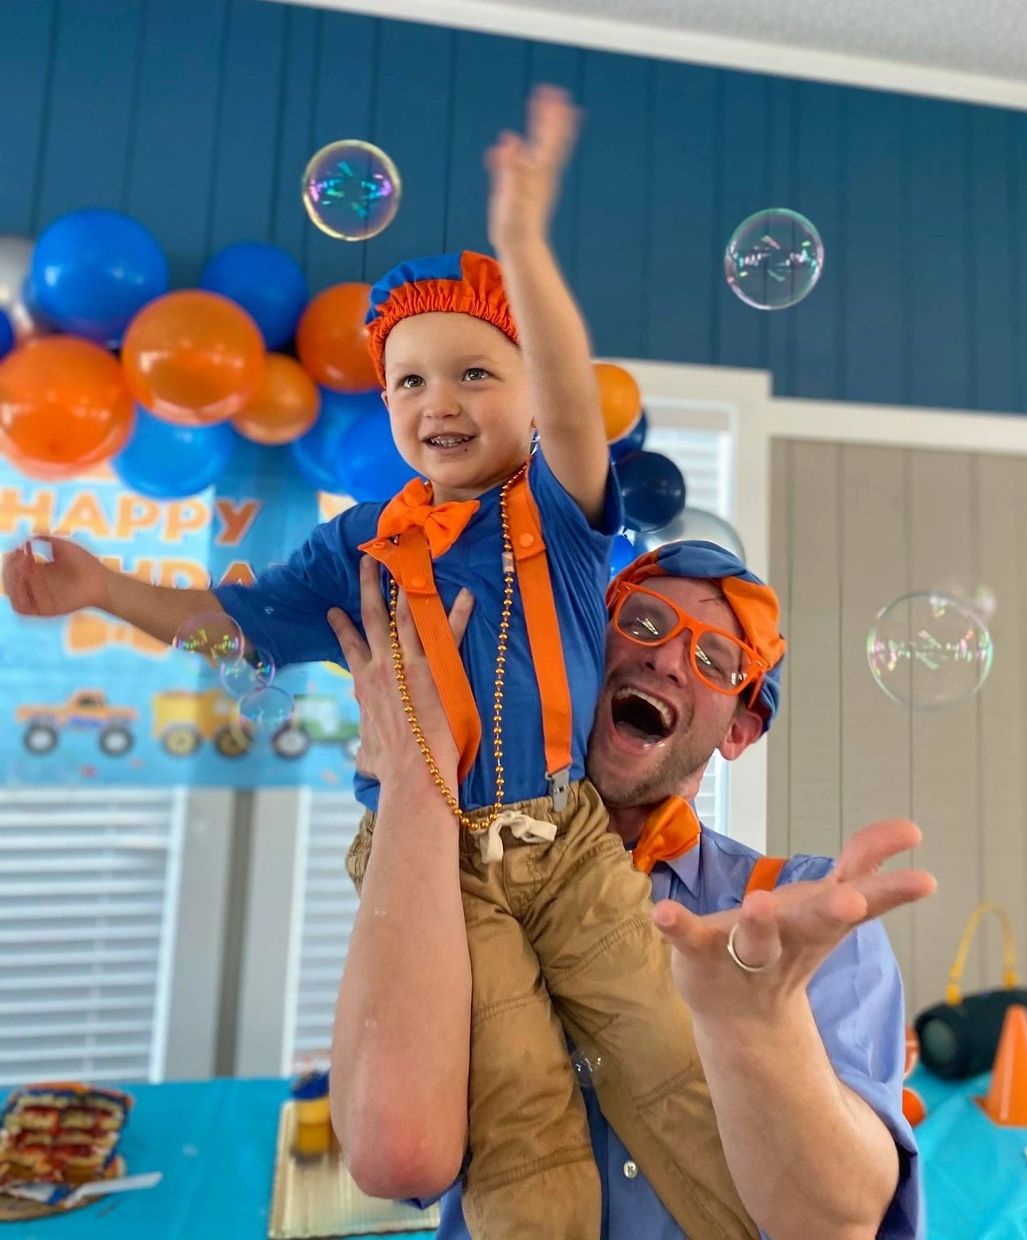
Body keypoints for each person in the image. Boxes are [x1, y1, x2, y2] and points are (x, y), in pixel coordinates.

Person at [3, 89, 758, 1240]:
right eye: (408, 380)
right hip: (431, 873)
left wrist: (521, 245)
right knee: (519, 1118)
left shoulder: (560, 513)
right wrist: (105, 590)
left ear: (530, 396)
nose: (436, 401)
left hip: (564, 842)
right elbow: (238, 627)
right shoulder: (358, 544)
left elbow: (573, 399)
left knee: (673, 1069)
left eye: (474, 373)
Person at [331, 539, 935, 1239]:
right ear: (584, 649)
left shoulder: (802, 915)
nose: (667, 659)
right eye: (644, 622)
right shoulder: (451, 869)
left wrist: (759, 1024)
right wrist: (414, 777)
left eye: (715, 661)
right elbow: (397, 1158)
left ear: (739, 730)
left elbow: (842, 1221)